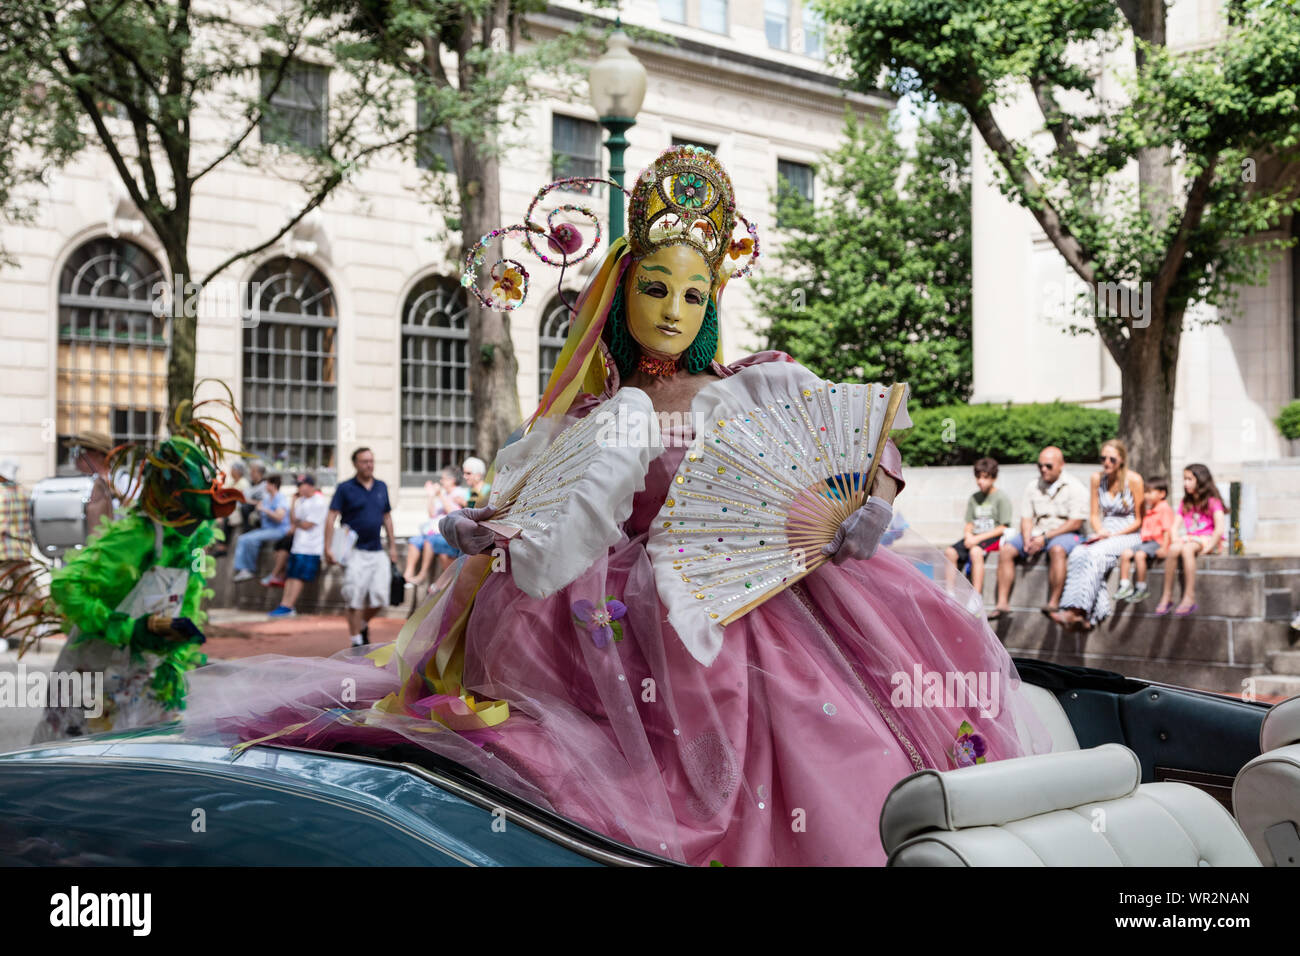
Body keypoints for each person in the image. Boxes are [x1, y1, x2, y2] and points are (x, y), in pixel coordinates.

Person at [184, 146, 1049, 866]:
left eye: (693, 294)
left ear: (712, 305)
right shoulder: (595, 420)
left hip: (766, 603)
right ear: (620, 292)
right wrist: (477, 532)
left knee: (842, 748)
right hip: (616, 621)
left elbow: (864, 445)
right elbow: (538, 514)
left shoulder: (756, 388)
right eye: (655, 288)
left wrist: (869, 507)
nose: (673, 310)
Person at [1053, 440, 1145, 631]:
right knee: (1079, 552)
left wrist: (1114, 534)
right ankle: (1083, 609)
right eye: (1103, 458)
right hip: (1105, 532)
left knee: (1095, 555)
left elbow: (1139, 520)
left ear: (1121, 460)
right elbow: (1094, 514)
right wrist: (1100, 530)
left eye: (1112, 459)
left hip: (1129, 533)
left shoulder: (1134, 480)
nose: (1107, 463)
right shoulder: (1097, 478)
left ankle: (1079, 611)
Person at [989, 445, 1089, 619]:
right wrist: (1027, 539)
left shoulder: (1075, 487)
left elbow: (1075, 522)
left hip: (1065, 533)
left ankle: (1053, 603)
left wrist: (1044, 538)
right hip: (1038, 532)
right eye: (1040, 465)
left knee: (1057, 550)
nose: (1043, 469)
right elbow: (1026, 517)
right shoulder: (1033, 486)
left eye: (1048, 465)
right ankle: (1002, 604)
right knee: (1006, 550)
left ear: (1061, 465)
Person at [325, 448, 398, 646]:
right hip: (353, 552)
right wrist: (327, 547)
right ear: (355, 463)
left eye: (371, 461)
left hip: (376, 549)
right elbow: (332, 516)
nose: (369, 465)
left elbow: (387, 517)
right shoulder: (345, 488)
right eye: (365, 461)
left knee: (381, 598)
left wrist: (392, 546)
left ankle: (362, 624)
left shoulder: (381, 486)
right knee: (354, 597)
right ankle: (356, 640)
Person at [1156, 463, 1226, 617]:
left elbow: (1219, 528)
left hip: (1209, 540)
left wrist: (1209, 547)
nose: (1185, 483)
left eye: (1189, 479)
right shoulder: (1185, 502)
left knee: (1187, 549)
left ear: (1200, 480)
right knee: (1174, 549)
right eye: (1184, 479)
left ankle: (1189, 596)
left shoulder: (1213, 501)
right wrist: (1176, 541)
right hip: (1191, 538)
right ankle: (1167, 596)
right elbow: (1174, 527)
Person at [943, 457, 1012, 602]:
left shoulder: (1001, 498)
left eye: (985, 478)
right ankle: (949, 594)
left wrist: (977, 539)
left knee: (975, 552)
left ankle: (976, 597)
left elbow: (1003, 527)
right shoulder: (974, 498)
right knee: (950, 552)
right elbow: (969, 522)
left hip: (992, 537)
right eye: (978, 477)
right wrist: (968, 536)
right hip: (974, 536)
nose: (980, 481)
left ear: (993, 478)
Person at [268, 475, 329, 618]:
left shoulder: (319, 502)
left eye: (302, 485)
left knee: (298, 577)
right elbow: (293, 520)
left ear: (310, 485)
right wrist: (293, 502)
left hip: (310, 548)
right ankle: (285, 604)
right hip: (298, 545)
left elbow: (308, 525)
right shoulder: (301, 501)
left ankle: (289, 605)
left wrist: (297, 524)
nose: (299, 488)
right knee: (290, 576)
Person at [403, 467, 468, 585]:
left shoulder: (460, 493)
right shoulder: (443, 493)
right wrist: (431, 496)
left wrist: (440, 496)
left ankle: (422, 575)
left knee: (430, 541)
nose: (441, 482)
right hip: (433, 530)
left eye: (443, 479)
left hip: (446, 533)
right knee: (414, 541)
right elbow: (432, 514)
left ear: (452, 480)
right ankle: (407, 575)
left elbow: (453, 514)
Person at [1116, 476, 1174, 604]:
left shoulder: (1164, 509)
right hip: (1146, 542)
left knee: (1140, 555)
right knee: (1125, 553)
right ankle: (1124, 585)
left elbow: (1167, 530)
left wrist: (1164, 548)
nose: (1146, 495)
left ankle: (1141, 587)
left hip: (1156, 542)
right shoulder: (1150, 510)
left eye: (1149, 492)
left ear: (1162, 493)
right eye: (1145, 492)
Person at [0, 459, 34, 653]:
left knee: (3, 597)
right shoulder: (24, 493)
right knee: (29, 593)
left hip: (3, 553)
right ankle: (39, 628)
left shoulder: (1, 494)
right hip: (22, 551)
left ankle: (2, 635)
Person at [232, 474, 289, 581]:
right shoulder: (267, 498)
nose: (264, 486)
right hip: (266, 529)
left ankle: (247, 569)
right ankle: (245, 569)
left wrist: (264, 510)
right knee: (246, 539)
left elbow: (280, 517)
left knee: (247, 539)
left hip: (277, 530)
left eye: (267, 484)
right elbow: (258, 504)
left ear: (273, 485)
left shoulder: (280, 498)